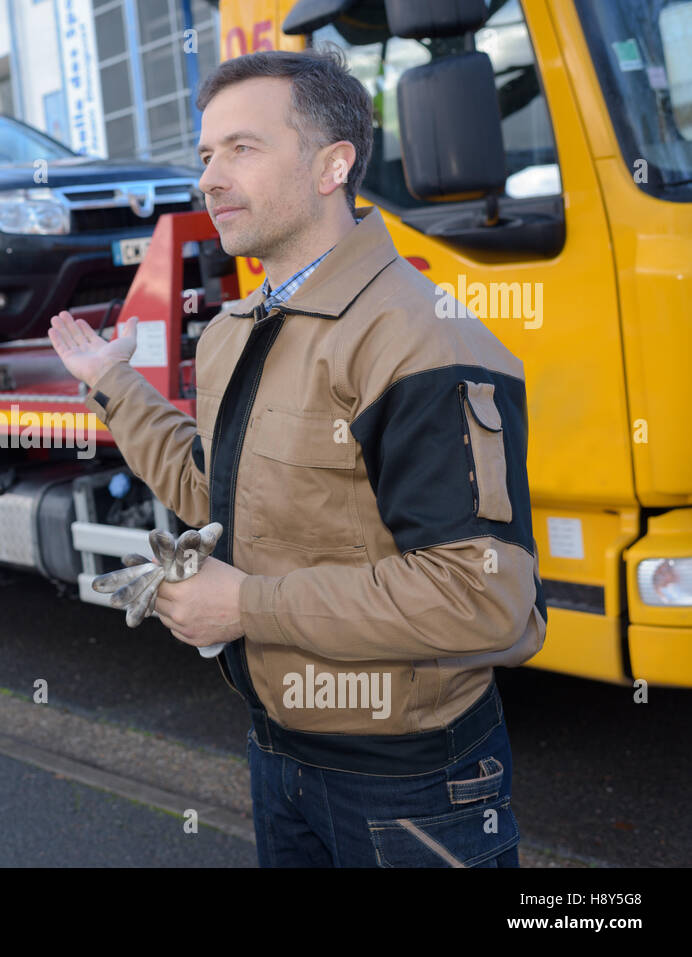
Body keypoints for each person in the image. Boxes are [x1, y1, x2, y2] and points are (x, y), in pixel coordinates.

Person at [49, 48, 545, 867]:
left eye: (242, 149)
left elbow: (482, 598)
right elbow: (217, 493)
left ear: (332, 165)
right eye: (205, 154)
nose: (210, 178)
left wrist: (246, 607)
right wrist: (110, 381)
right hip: (277, 756)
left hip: (413, 785)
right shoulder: (237, 330)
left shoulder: (420, 336)